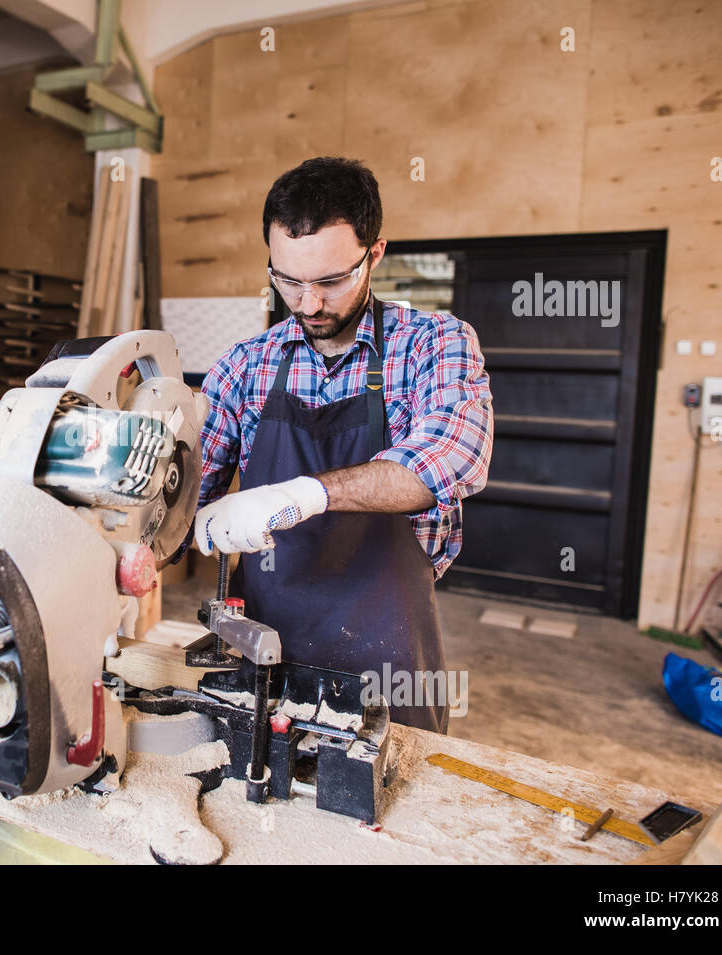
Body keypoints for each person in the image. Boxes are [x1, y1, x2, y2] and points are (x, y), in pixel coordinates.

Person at [190, 157, 494, 733]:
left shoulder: (434, 343)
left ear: (374, 254)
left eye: (330, 281)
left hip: (389, 656)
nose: (307, 304)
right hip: (264, 649)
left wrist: (304, 493)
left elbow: (453, 457)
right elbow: (180, 493)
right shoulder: (246, 364)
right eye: (288, 280)